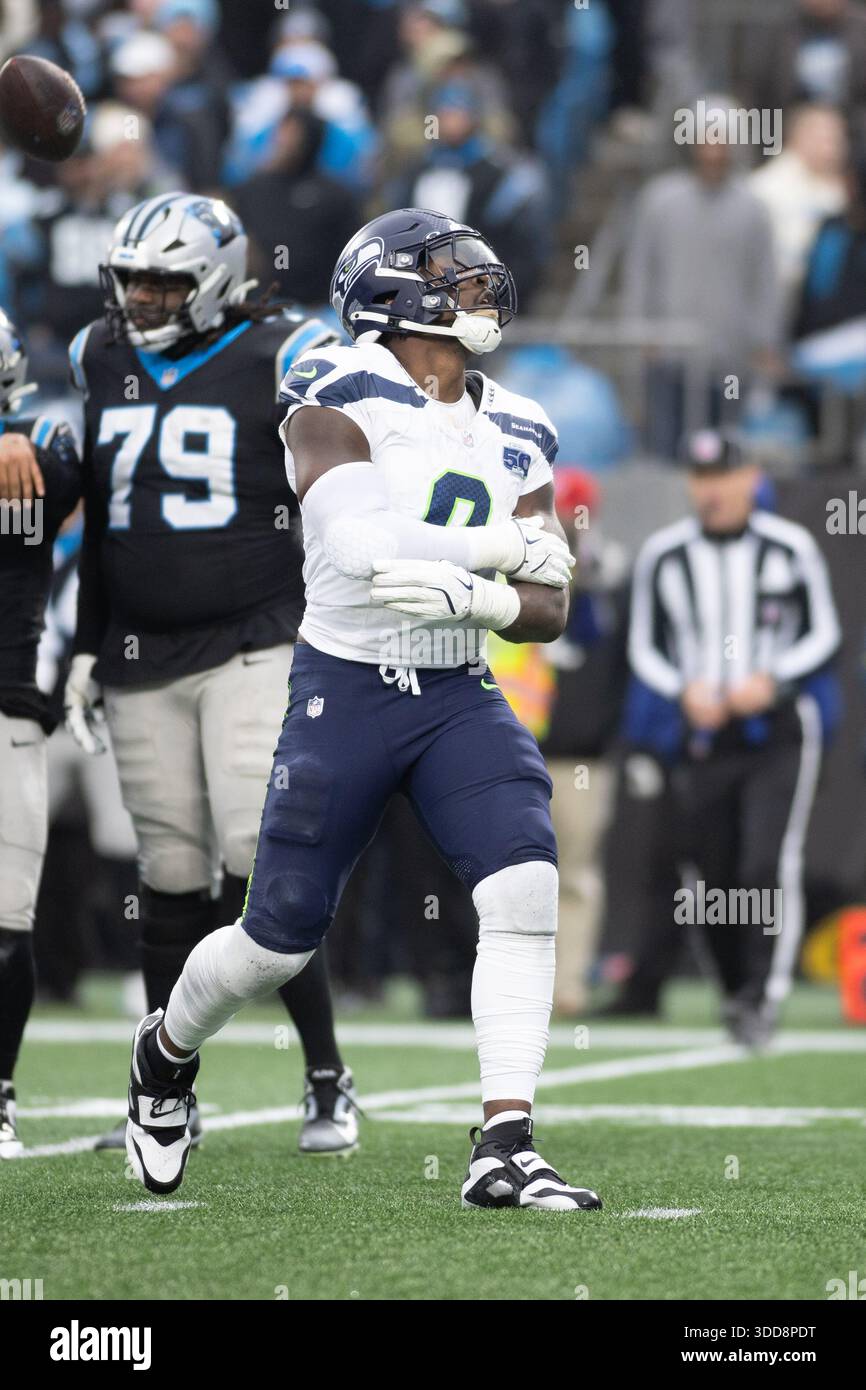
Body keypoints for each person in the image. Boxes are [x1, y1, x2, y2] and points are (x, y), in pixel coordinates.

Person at [124, 206, 603, 1212]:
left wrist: (479, 597)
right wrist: (503, 555)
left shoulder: (518, 421)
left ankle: (504, 1138)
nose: (474, 288)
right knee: (276, 939)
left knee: (520, 885)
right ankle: (163, 1053)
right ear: (392, 292)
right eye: (448, 274)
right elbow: (355, 546)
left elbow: (551, 608)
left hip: (455, 691)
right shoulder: (335, 386)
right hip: (342, 690)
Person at [62, 192, 359, 1156]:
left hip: (252, 638)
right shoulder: (98, 355)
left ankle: (327, 1079)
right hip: (140, 654)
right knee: (172, 875)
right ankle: (166, 1090)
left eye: (165, 281)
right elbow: (104, 523)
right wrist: (80, 645)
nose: (142, 298)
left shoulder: (282, 350)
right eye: (132, 279)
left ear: (221, 278)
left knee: (254, 857)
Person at [628, 429, 841, 1046]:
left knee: (766, 861)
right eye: (701, 479)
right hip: (705, 733)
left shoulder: (789, 547)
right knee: (712, 873)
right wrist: (683, 688)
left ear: (751, 480)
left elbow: (825, 634)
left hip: (776, 730)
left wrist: (771, 683)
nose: (712, 490)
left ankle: (761, 995)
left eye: (724, 476)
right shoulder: (665, 554)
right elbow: (646, 645)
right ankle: (731, 989)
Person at [0, 309, 81, 1155]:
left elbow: (62, 465)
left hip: (9, 700)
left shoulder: (45, 442)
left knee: (4, 917)